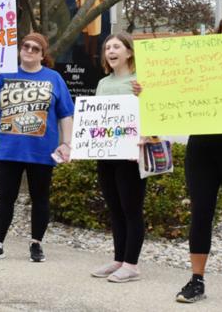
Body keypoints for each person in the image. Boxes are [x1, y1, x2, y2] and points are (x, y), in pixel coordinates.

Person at [141, 14, 222, 304]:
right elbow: (168, 89)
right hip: (204, 147)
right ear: (217, 34)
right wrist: (145, 91)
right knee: (201, 213)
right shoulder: (200, 65)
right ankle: (196, 281)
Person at [0, 32, 74, 263]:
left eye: (35, 48)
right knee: (5, 198)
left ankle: (36, 244)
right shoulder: (6, 75)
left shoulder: (54, 78)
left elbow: (66, 114)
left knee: (40, 198)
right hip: (8, 149)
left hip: (41, 150)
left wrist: (67, 144)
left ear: (42, 54)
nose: (29, 50)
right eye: (25, 46)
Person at [83, 33, 147, 283]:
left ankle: (132, 264)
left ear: (129, 52)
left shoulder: (140, 82)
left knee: (132, 209)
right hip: (107, 154)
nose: (110, 51)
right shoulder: (102, 83)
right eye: (107, 47)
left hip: (131, 156)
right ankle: (118, 259)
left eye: (116, 46)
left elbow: (154, 113)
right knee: (115, 208)